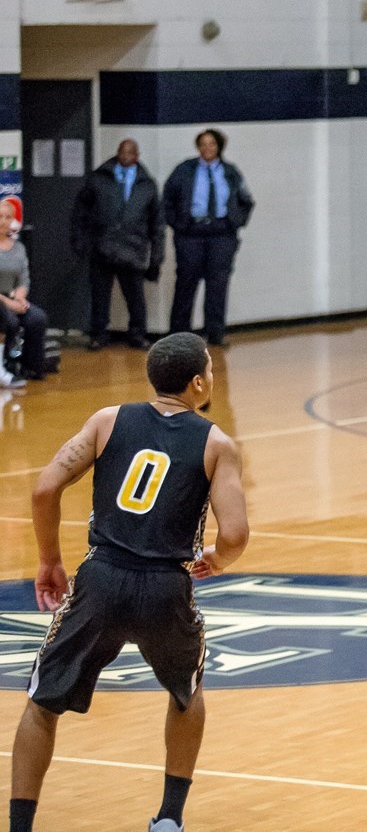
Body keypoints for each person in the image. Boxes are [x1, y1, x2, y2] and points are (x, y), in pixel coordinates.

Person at [8, 332, 250, 832]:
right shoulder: (216, 443)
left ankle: (20, 825)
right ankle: (169, 818)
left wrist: (49, 559)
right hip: (166, 586)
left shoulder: (107, 420)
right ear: (199, 381)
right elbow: (236, 534)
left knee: (41, 701)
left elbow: (43, 488)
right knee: (185, 691)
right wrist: (218, 560)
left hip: (101, 578)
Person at [163, 129, 254, 347]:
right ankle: (179, 335)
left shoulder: (230, 172)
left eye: (211, 144)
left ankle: (215, 333)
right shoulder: (184, 170)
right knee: (186, 283)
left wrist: (235, 221)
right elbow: (167, 199)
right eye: (203, 144)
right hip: (191, 234)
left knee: (218, 285)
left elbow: (246, 200)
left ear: (219, 147)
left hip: (221, 234)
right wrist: (178, 224)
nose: (207, 149)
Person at [71, 139, 163, 351]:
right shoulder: (98, 179)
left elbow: (156, 223)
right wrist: (80, 242)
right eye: (123, 152)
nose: (126, 157)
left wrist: (156, 257)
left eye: (130, 153)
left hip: (133, 248)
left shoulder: (147, 185)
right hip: (102, 247)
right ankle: (99, 334)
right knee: (100, 295)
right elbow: (81, 212)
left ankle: (137, 333)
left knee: (135, 297)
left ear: (137, 156)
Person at [0, 199, 45, 387]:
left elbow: (24, 277)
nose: (3, 220)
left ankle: (30, 367)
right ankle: (6, 366)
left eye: (7, 217)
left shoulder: (18, 248)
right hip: (1, 299)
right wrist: (9, 303)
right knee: (8, 320)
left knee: (37, 318)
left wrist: (20, 297)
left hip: (12, 296)